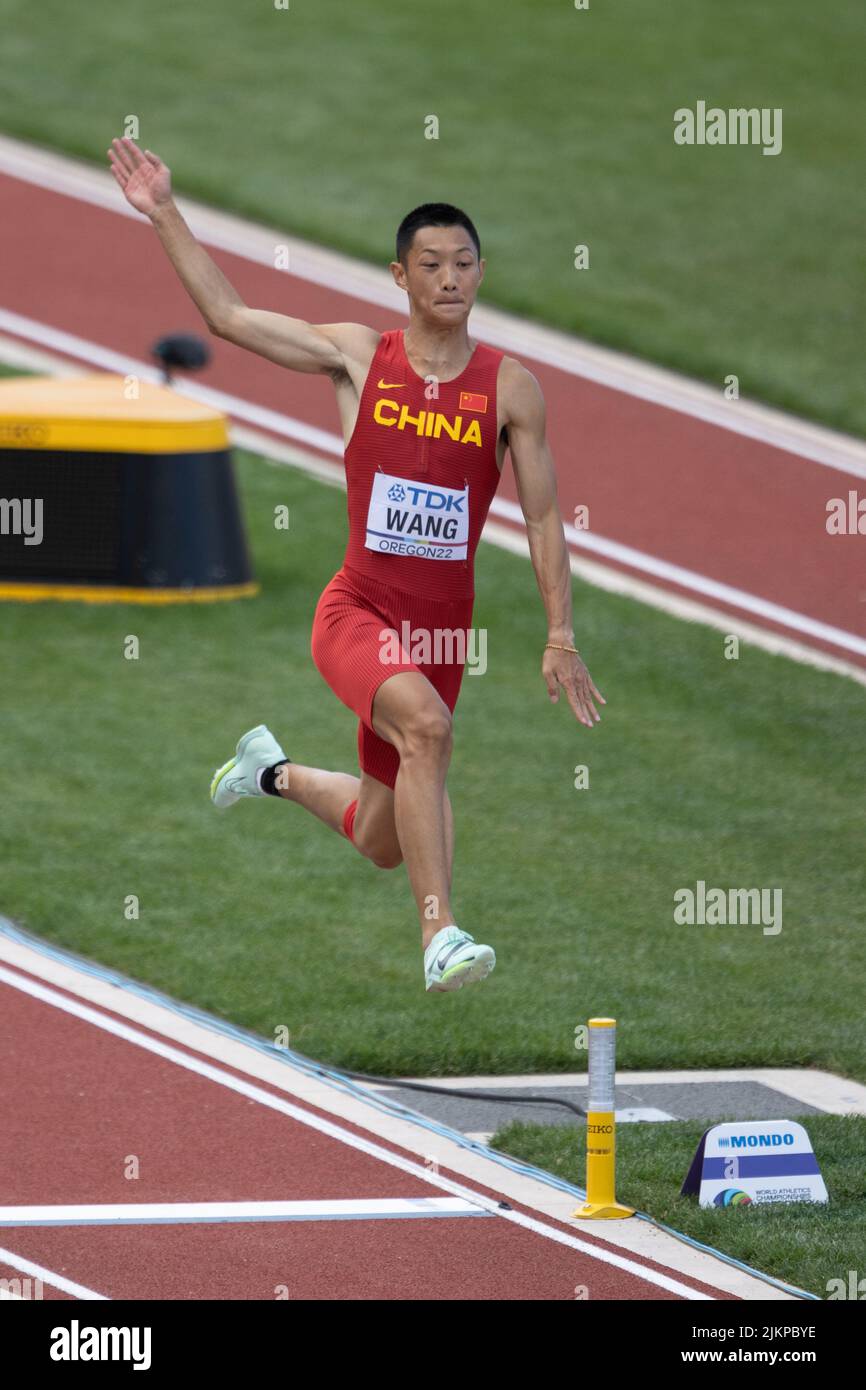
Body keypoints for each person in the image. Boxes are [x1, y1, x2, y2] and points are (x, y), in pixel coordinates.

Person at [108, 136, 605, 994]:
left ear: (481, 274)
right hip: (358, 614)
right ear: (400, 277)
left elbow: (545, 513)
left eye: (464, 263)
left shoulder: (512, 389)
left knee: (382, 837)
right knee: (429, 733)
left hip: (440, 638)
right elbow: (230, 318)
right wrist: (164, 212)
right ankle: (440, 934)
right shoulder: (355, 357)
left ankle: (267, 770)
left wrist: (561, 631)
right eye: (431, 264)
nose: (450, 278)